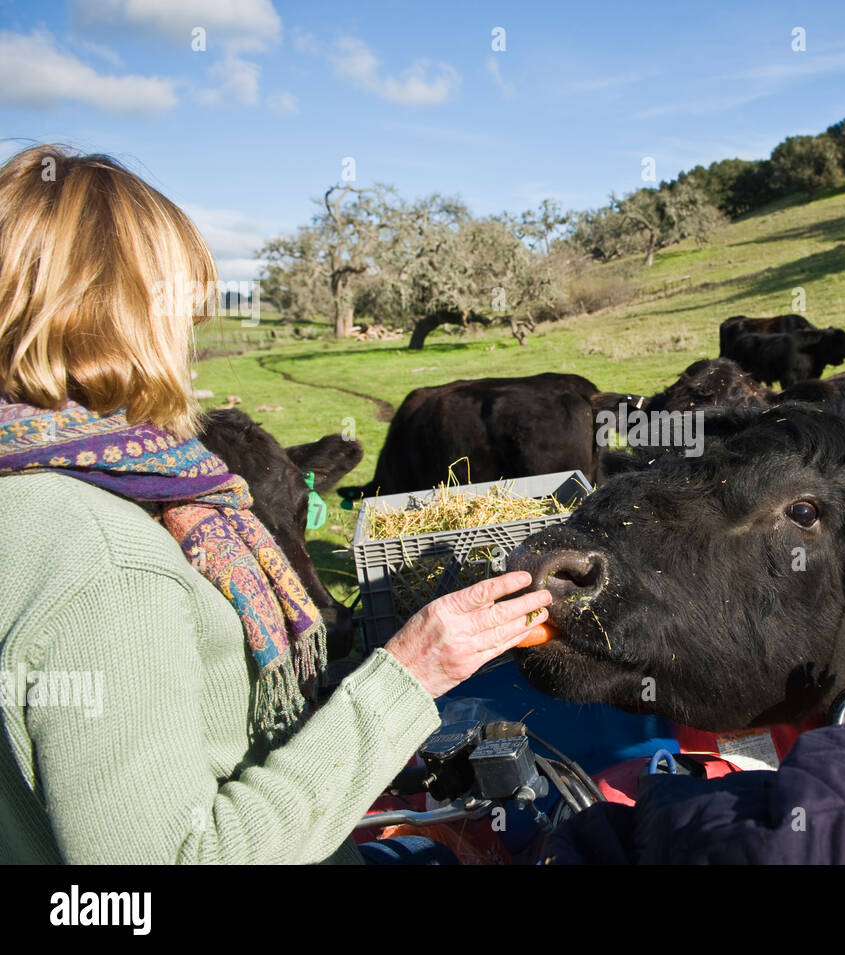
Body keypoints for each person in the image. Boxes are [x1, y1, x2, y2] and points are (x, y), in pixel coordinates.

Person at [0, 144, 552, 863]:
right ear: (124, 321)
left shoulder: (31, 493)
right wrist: (410, 674)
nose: (187, 343)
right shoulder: (113, 566)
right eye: (177, 313)